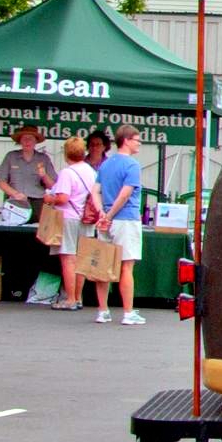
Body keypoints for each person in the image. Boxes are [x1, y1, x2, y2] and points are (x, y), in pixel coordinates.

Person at [93, 124, 146, 326]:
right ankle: (128, 312)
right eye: (137, 139)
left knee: (103, 265)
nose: (139, 143)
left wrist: (102, 213)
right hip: (126, 218)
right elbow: (125, 194)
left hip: (106, 218)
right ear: (126, 140)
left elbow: (95, 191)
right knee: (127, 266)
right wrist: (111, 214)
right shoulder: (132, 165)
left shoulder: (105, 165)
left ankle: (103, 310)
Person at [43, 137, 99, 310]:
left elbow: (63, 198)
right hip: (87, 219)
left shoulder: (67, 173)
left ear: (67, 153)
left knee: (68, 258)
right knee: (81, 259)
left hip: (69, 217)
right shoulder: (91, 171)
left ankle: (70, 299)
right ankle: (78, 297)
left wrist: (49, 198)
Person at [0, 124, 56, 225]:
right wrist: (15, 194)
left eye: (30, 138)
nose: (27, 141)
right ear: (20, 141)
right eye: (24, 138)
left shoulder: (44, 158)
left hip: (37, 204)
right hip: (15, 203)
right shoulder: (11, 156)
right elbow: (2, 182)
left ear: (36, 141)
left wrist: (44, 175)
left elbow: (52, 186)